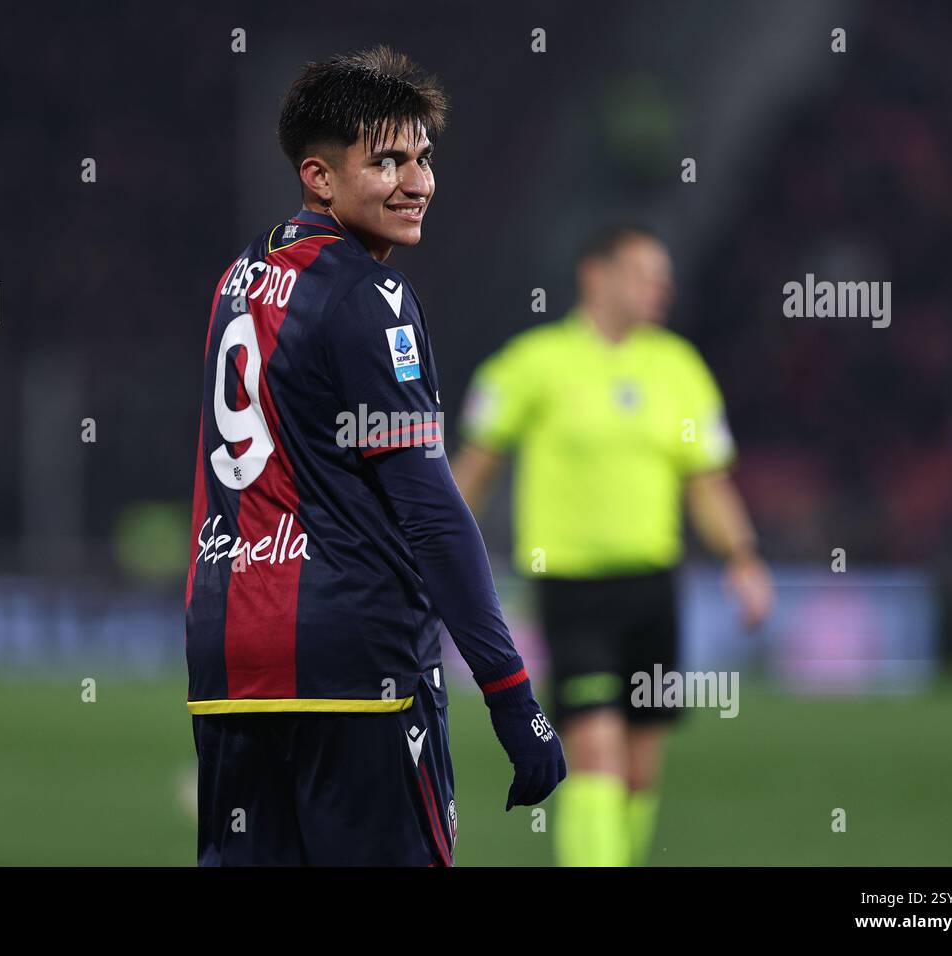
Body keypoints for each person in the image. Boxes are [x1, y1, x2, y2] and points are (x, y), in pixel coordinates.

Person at [183, 46, 565, 866]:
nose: (417, 182)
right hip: (357, 665)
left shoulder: (237, 277)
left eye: (423, 158)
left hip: (227, 655)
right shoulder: (370, 294)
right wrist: (509, 693)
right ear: (319, 176)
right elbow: (430, 510)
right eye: (386, 161)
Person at [452, 225, 774, 866]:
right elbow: (477, 466)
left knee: (637, 770)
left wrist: (743, 559)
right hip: (573, 589)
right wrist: (434, 551)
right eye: (644, 273)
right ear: (595, 276)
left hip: (654, 589)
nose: (661, 287)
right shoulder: (533, 363)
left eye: (664, 276)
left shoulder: (679, 367)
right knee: (594, 746)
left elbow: (706, 481)